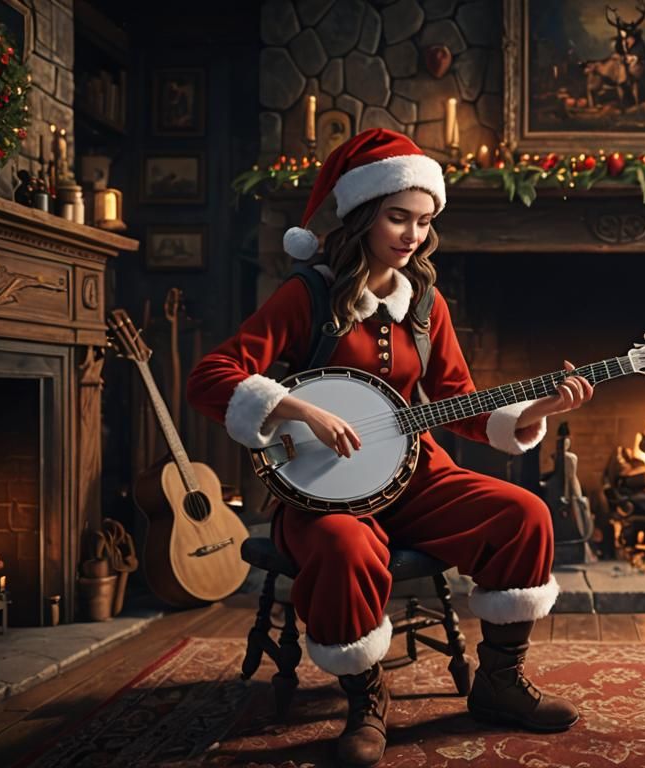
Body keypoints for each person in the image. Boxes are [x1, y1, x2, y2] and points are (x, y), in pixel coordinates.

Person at [186, 129, 592, 766]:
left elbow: (457, 395)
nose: (411, 234)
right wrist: (299, 410)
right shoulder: (308, 296)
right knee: (345, 547)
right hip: (323, 490)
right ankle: (366, 698)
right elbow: (211, 377)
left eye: (424, 221)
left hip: (416, 471)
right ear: (363, 213)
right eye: (398, 216)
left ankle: (499, 684)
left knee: (525, 515)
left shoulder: (426, 305)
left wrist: (538, 409)